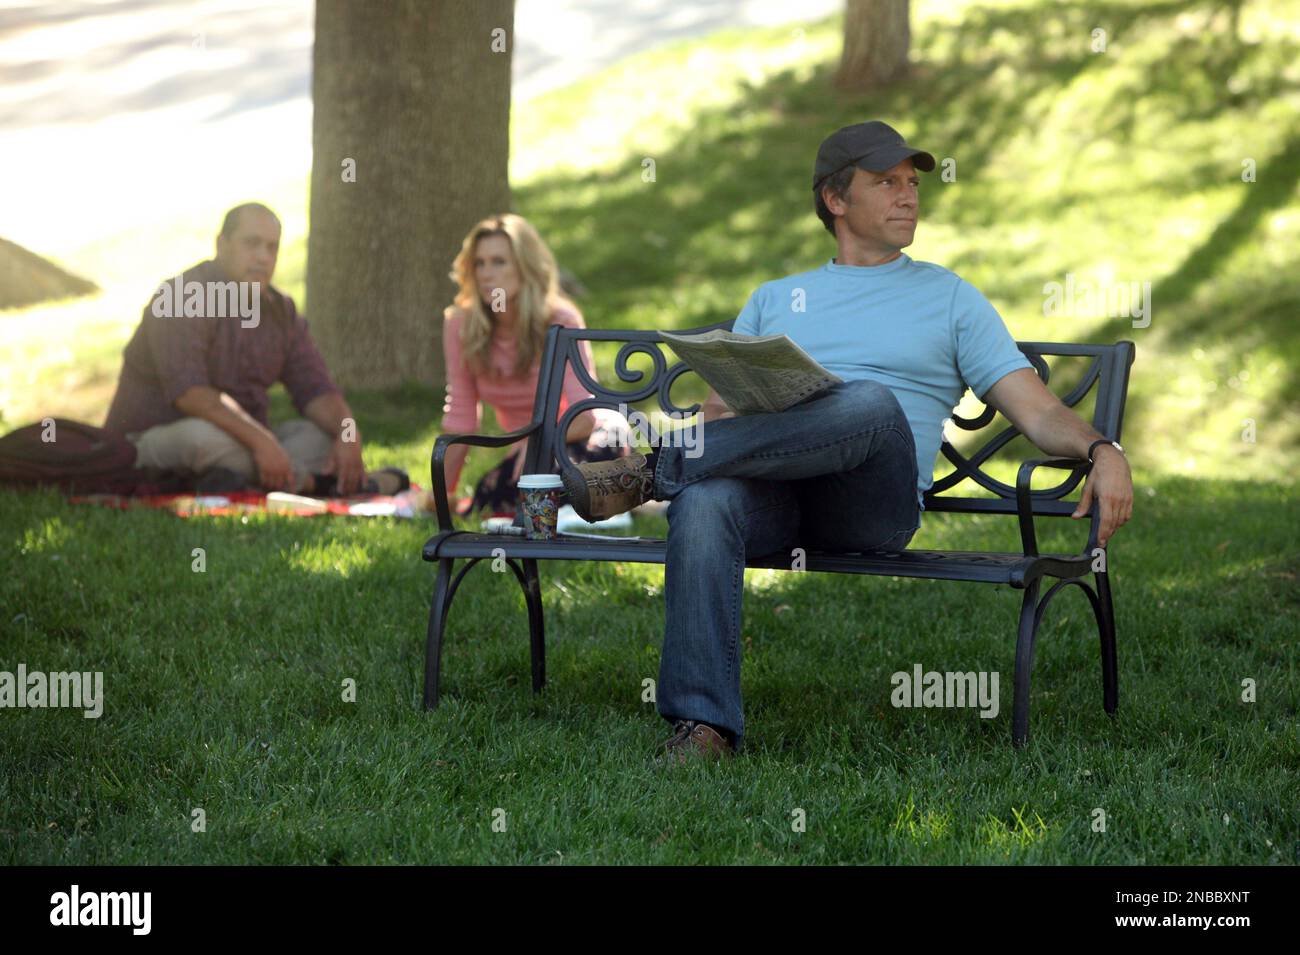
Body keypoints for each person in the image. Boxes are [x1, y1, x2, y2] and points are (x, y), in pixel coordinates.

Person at [563, 121, 1135, 765]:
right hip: (777, 497)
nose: (908, 196)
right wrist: (729, 408)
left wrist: (1103, 449)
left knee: (869, 401)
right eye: (885, 182)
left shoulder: (949, 298)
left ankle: (648, 471)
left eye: (912, 183)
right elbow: (724, 419)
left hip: (871, 504)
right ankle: (704, 729)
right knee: (704, 503)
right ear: (836, 201)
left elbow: (1038, 412)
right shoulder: (776, 299)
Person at [103, 203, 403, 496]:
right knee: (201, 439)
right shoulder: (181, 296)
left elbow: (316, 389)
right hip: (157, 437)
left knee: (319, 436)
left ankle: (243, 480)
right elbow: (190, 394)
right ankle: (320, 485)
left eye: (272, 248)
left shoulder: (280, 310)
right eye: (252, 244)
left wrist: (348, 434)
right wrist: (262, 443)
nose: (263, 257)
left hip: (249, 442)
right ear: (222, 245)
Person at [440, 213, 627, 517]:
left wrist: (537, 441)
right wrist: (442, 494)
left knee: (562, 483)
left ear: (525, 267)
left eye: (499, 262)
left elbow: (585, 418)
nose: (487, 274)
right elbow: (461, 417)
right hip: (527, 453)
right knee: (492, 498)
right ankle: (620, 504)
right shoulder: (460, 324)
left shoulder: (560, 319)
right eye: (480, 263)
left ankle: (627, 498)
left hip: (588, 437)